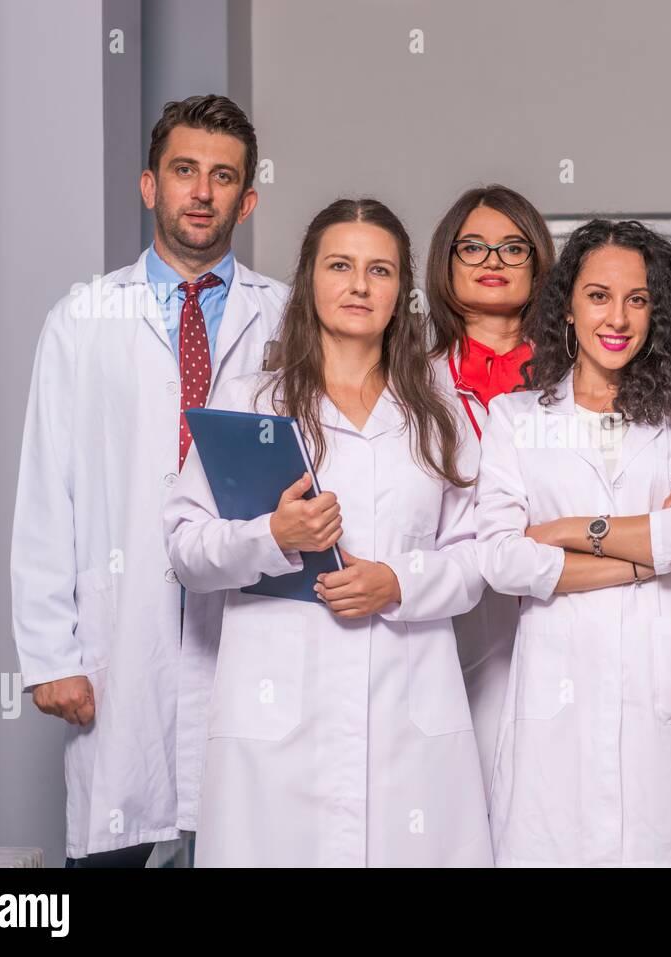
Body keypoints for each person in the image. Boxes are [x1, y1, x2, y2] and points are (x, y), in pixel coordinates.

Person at [164, 198, 491, 867]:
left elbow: (481, 556)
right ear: (310, 278)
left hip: (408, 716)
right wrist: (272, 535)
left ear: (402, 292)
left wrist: (398, 581)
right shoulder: (251, 401)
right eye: (340, 265)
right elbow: (184, 549)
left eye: (380, 270)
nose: (359, 285)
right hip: (279, 724)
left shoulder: (441, 415)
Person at [11, 95, 287, 867]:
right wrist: (51, 654)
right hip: (120, 628)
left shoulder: (288, 318)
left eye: (223, 176)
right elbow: (46, 490)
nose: (202, 192)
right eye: (184, 171)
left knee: (243, 832)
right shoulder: (84, 317)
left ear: (248, 198)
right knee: (121, 845)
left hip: (245, 619)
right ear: (148, 186)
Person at [476, 218, 671, 866]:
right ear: (568, 306)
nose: (618, 317)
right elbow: (502, 557)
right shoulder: (516, 419)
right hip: (559, 697)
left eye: (638, 298)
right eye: (599, 295)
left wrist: (572, 530)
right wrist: (646, 553)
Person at [424, 184, 554, 797]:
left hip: (567, 603)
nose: (493, 262)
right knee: (465, 800)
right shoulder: (413, 383)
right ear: (445, 264)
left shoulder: (578, 378)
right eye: (472, 247)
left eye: (512, 248)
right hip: (461, 621)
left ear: (539, 263)